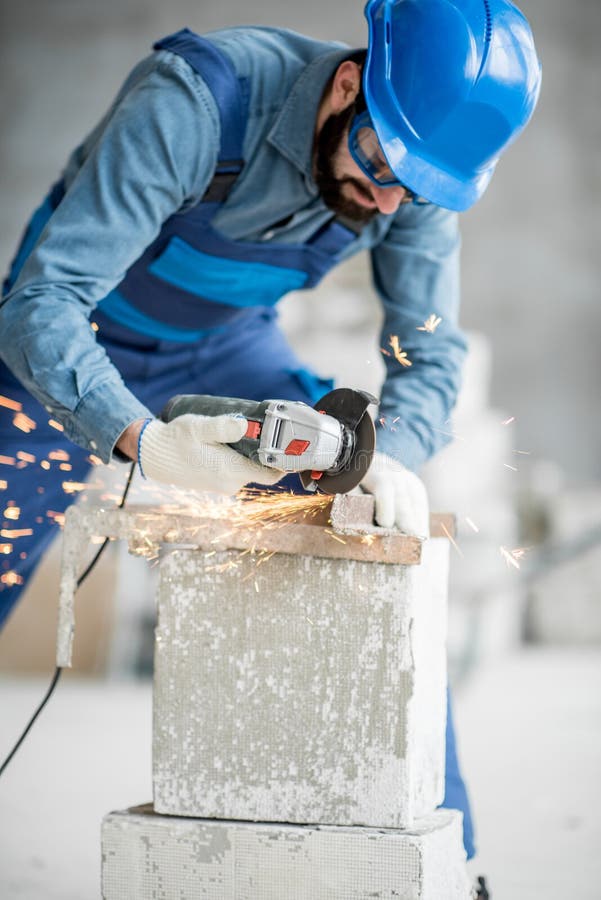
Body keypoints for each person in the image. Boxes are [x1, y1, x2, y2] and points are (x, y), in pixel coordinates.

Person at [0, 0, 540, 882]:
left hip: (225, 347)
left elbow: (431, 350)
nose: (386, 199)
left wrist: (389, 454)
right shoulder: (197, 100)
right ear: (345, 85)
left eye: (413, 190)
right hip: (69, 344)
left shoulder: (415, 172)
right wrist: (138, 438)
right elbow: (42, 302)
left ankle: (456, 866)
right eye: (378, 167)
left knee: (374, 551)